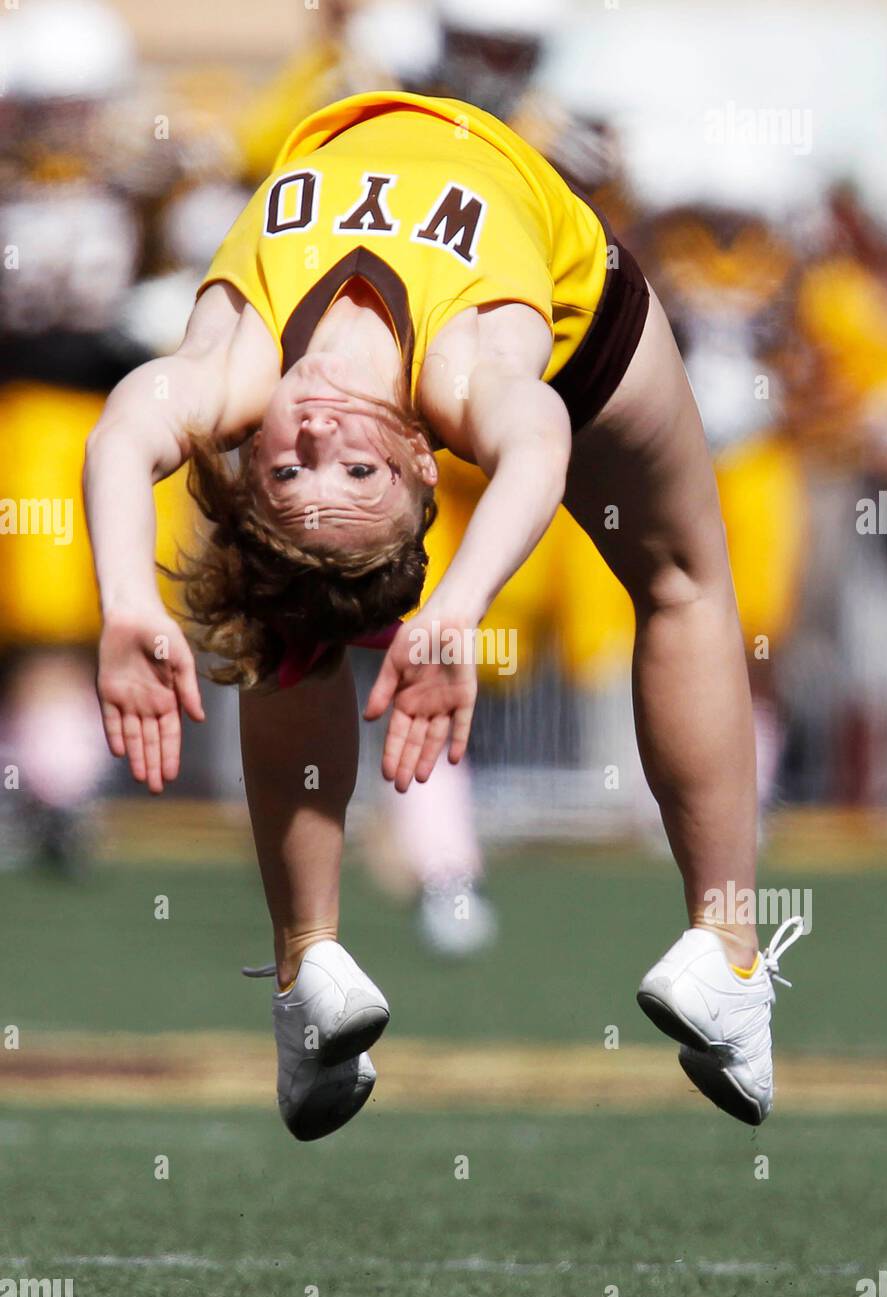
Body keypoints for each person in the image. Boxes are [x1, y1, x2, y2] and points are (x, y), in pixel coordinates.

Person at [83, 90, 804, 1140]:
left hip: (389, 138)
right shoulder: (462, 377)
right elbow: (538, 432)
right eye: (354, 466)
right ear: (422, 455)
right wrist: (458, 606)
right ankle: (725, 952)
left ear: (248, 456)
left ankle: (305, 972)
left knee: (292, 620)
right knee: (683, 576)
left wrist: (124, 599)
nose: (319, 431)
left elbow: (125, 429)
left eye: (289, 466)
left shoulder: (239, 365)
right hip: (572, 293)